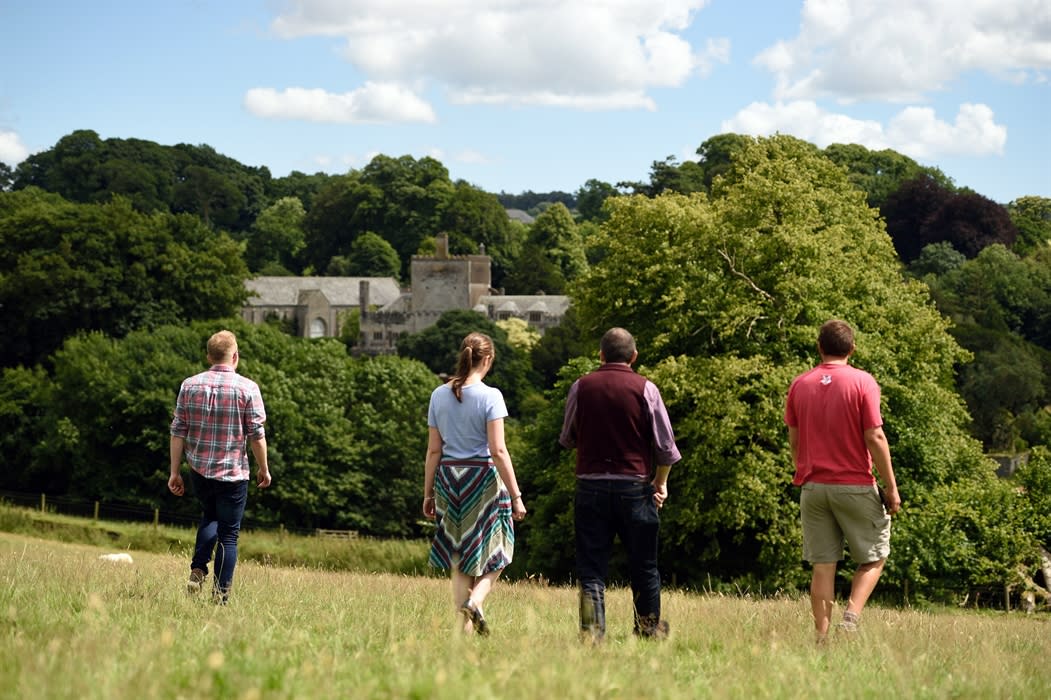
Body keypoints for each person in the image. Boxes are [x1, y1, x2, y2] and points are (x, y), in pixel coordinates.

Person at [559, 327, 681, 641]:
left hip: (590, 487)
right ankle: (648, 629)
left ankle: (592, 632)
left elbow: (567, 438)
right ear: (634, 356)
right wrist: (660, 482)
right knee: (644, 567)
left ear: (600, 355)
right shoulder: (646, 389)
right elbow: (665, 447)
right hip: (636, 488)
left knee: (591, 569)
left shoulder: (581, 387)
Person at [784, 319, 901, 644]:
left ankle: (821, 638)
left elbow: (794, 440)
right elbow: (875, 435)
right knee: (875, 556)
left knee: (823, 565)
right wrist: (891, 487)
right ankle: (850, 618)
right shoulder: (863, 382)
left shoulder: (800, 384)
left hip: (813, 487)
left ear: (819, 347)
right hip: (854, 484)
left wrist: (803, 471)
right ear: (852, 348)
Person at [423, 332, 526, 636]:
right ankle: (477, 600)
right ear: (489, 359)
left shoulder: (438, 395)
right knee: (501, 548)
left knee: (459, 558)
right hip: (482, 480)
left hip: (448, 479)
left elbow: (433, 450)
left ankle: (463, 633)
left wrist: (428, 493)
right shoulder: (491, 396)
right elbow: (498, 451)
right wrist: (517, 496)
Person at [168, 330, 271, 604]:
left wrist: (174, 471)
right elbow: (256, 434)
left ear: (208, 356)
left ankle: (198, 567)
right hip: (233, 474)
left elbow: (178, 430)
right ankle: (220, 596)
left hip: (199, 471)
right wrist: (264, 468)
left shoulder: (189, 385)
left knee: (209, 515)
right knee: (229, 533)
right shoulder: (247, 388)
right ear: (235, 356)